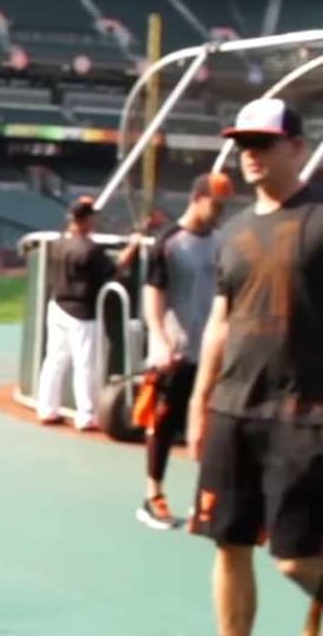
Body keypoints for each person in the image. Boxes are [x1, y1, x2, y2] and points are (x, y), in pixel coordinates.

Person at [187, 98, 323, 636]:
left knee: (295, 558)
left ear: (297, 147)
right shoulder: (234, 231)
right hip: (232, 413)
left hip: (306, 416)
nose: (250, 156)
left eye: (262, 144)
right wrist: (200, 403)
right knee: (230, 544)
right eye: (243, 145)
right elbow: (219, 322)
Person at [134, 172, 231, 530]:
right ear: (198, 198)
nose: (220, 212)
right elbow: (152, 295)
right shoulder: (169, 242)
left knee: (211, 425)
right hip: (175, 353)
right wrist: (158, 339)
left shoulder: (222, 241)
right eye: (216, 205)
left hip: (211, 355)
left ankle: (204, 499)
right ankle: (152, 495)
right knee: (161, 422)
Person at [36, 196, 136, 430]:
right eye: (92, 216)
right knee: (85, 365)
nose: (95, 220)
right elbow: (116, 268)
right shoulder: (90, 248)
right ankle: (86, 415)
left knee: (55, 360)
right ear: (85, 219)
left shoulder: (58, 243)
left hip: (57, 307)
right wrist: (135, 244)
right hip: (82, 313)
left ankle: (47, 408)